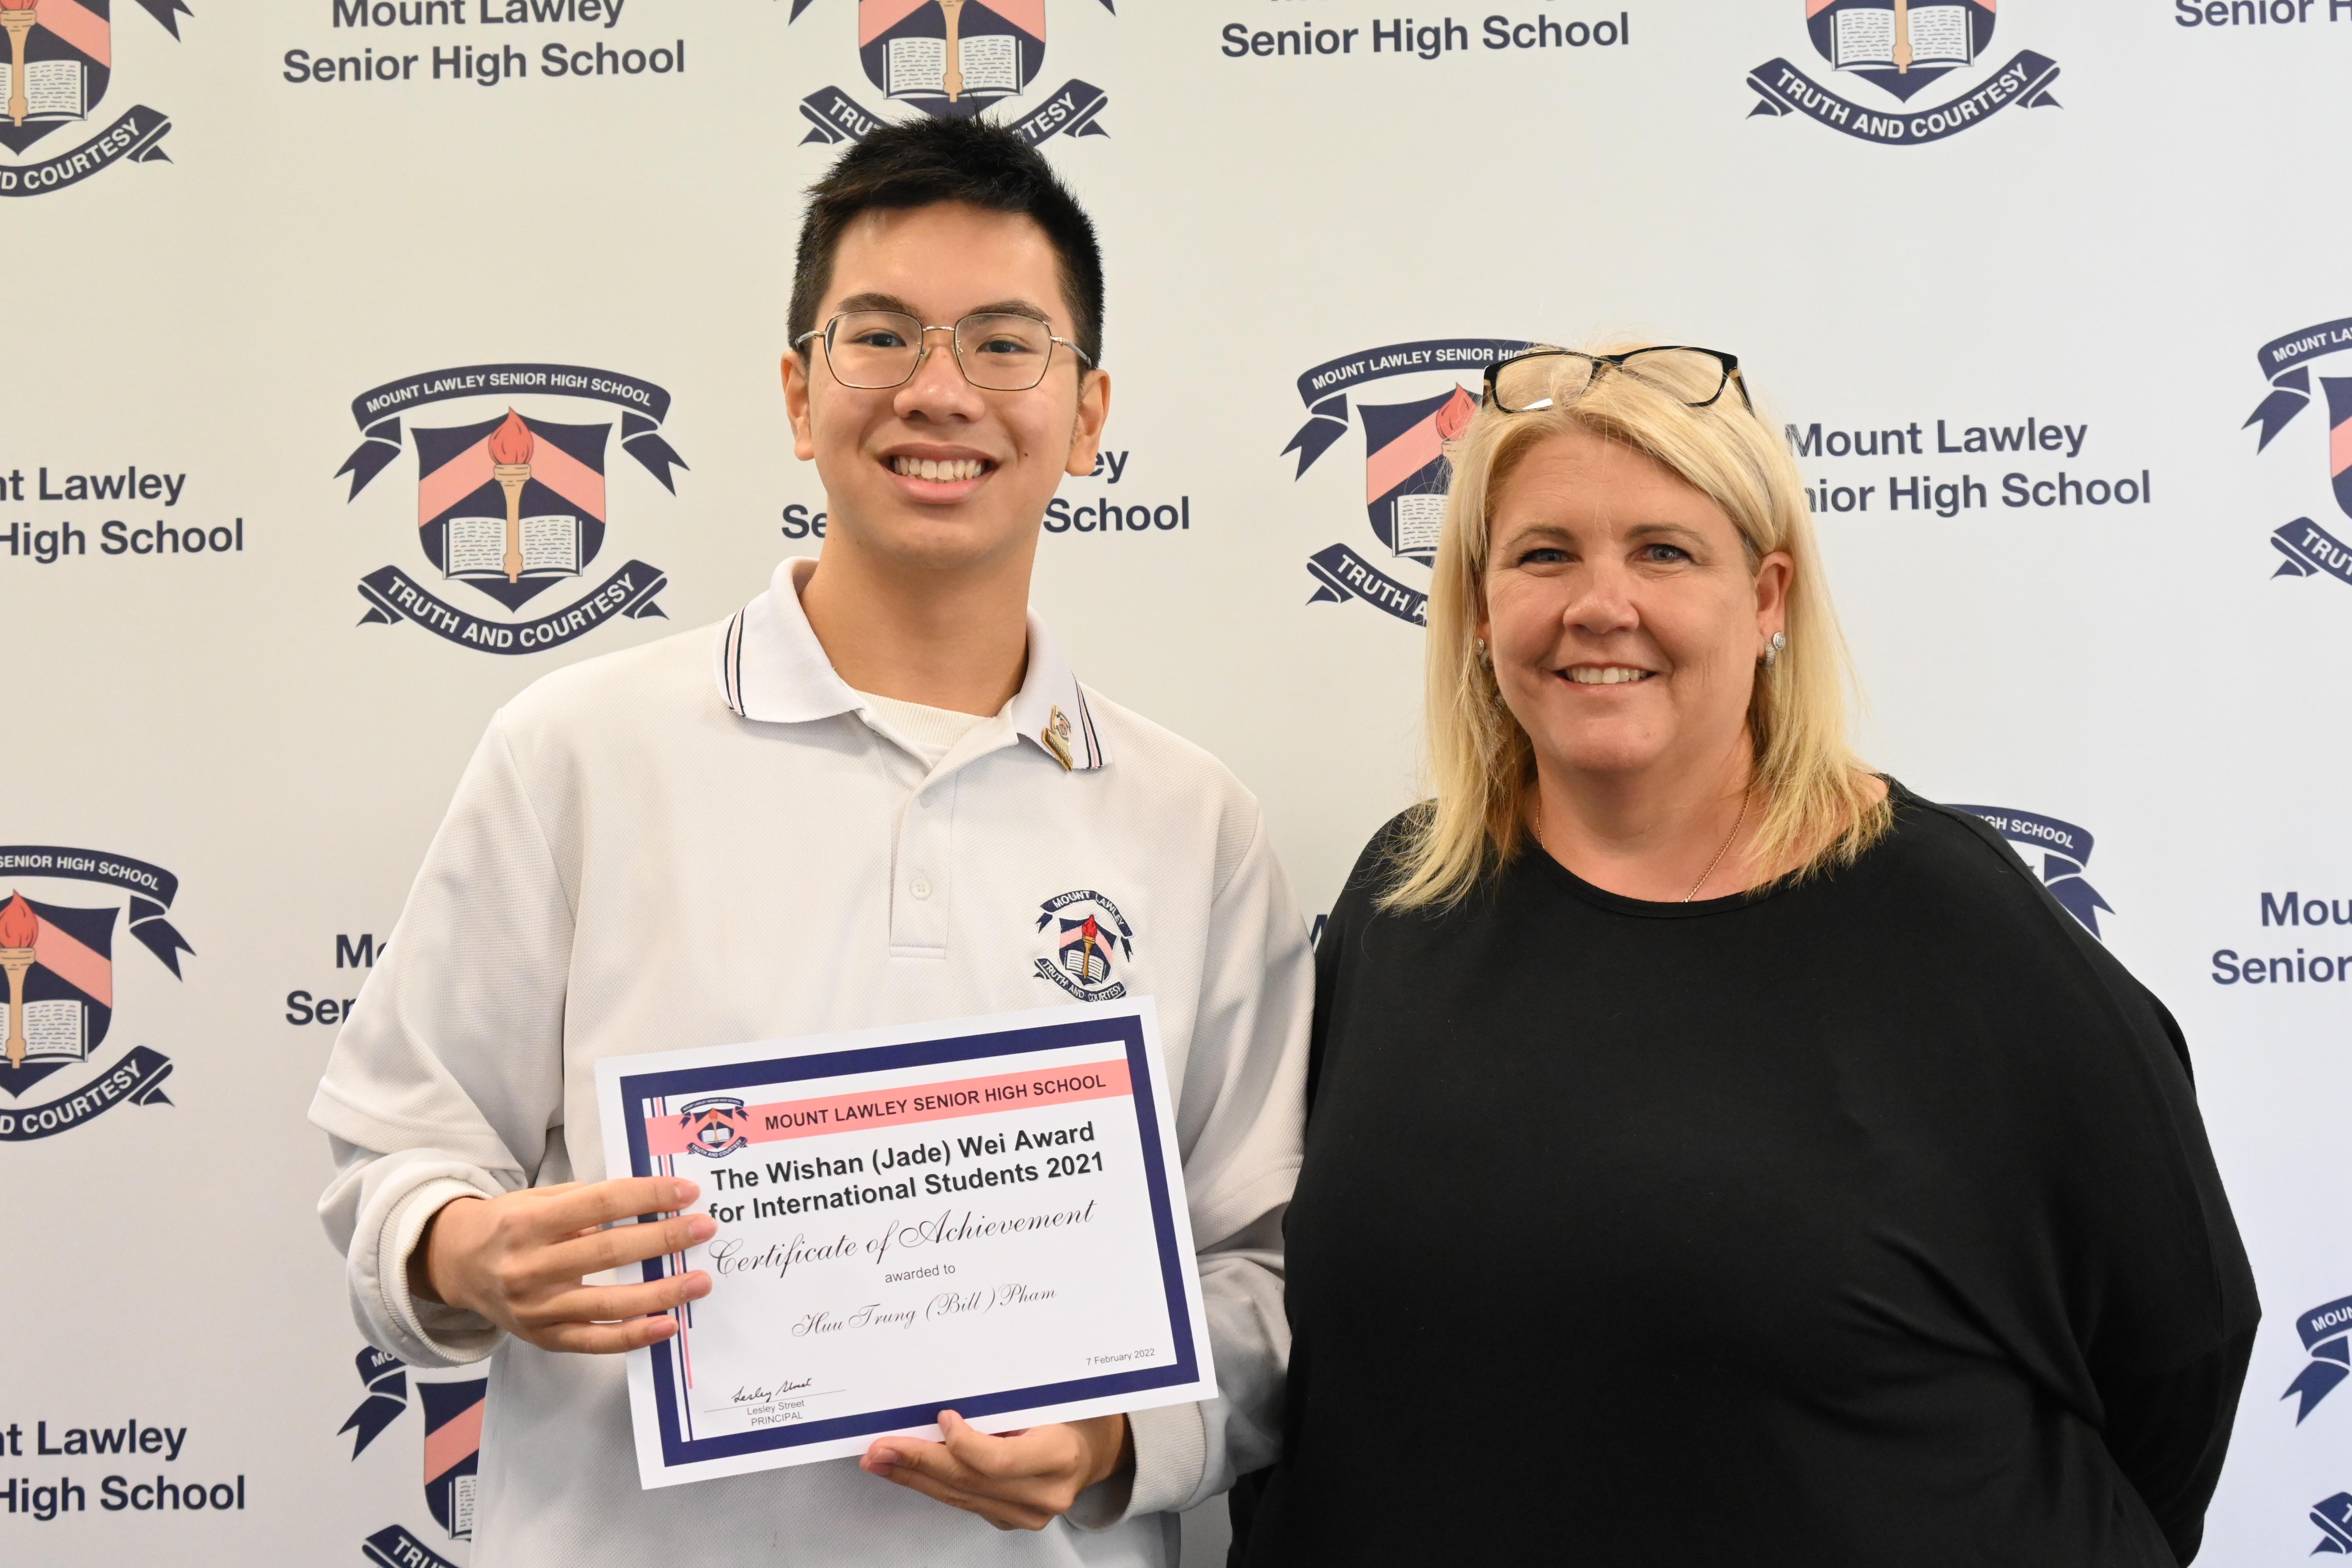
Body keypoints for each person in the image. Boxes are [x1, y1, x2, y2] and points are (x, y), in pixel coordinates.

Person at [311, 117, 1310, 1566]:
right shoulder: (580, 751)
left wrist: (1108, 1444)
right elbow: (392, 1158)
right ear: (797, 392)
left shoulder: (1192, 820)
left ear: (1089, 416)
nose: (940, 391)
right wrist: (464, 1252)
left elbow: (1263, 1273)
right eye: (881, 336)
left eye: (1006, 346)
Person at [1239, 345, 2258, 1565]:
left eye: (1665, 552)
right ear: (1478, 604)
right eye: (1544, 553)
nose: (1599, 605)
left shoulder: (1951, 922)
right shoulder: (1408, 895)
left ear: (1767, 598)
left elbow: (2180, 1342)